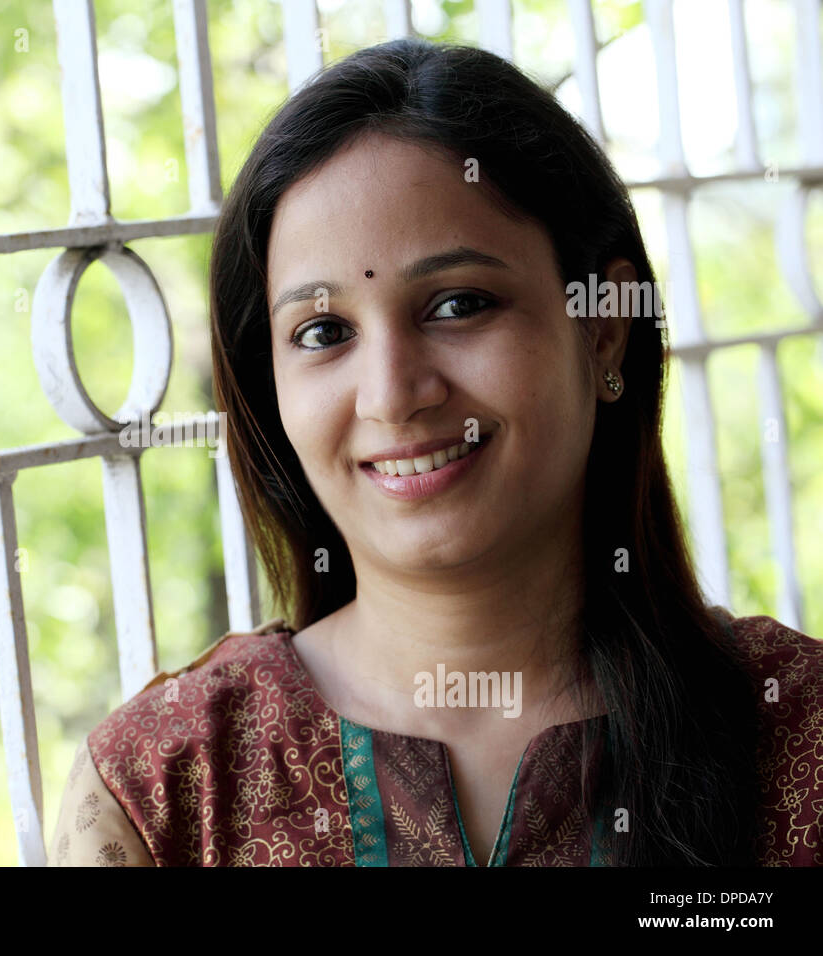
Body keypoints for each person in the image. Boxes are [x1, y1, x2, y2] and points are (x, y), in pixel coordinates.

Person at [47, 37, 823, 866]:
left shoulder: (798, 738)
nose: (391, 393)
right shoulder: (165, 790)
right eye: (322, 331)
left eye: (458, 304)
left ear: (601, 331)